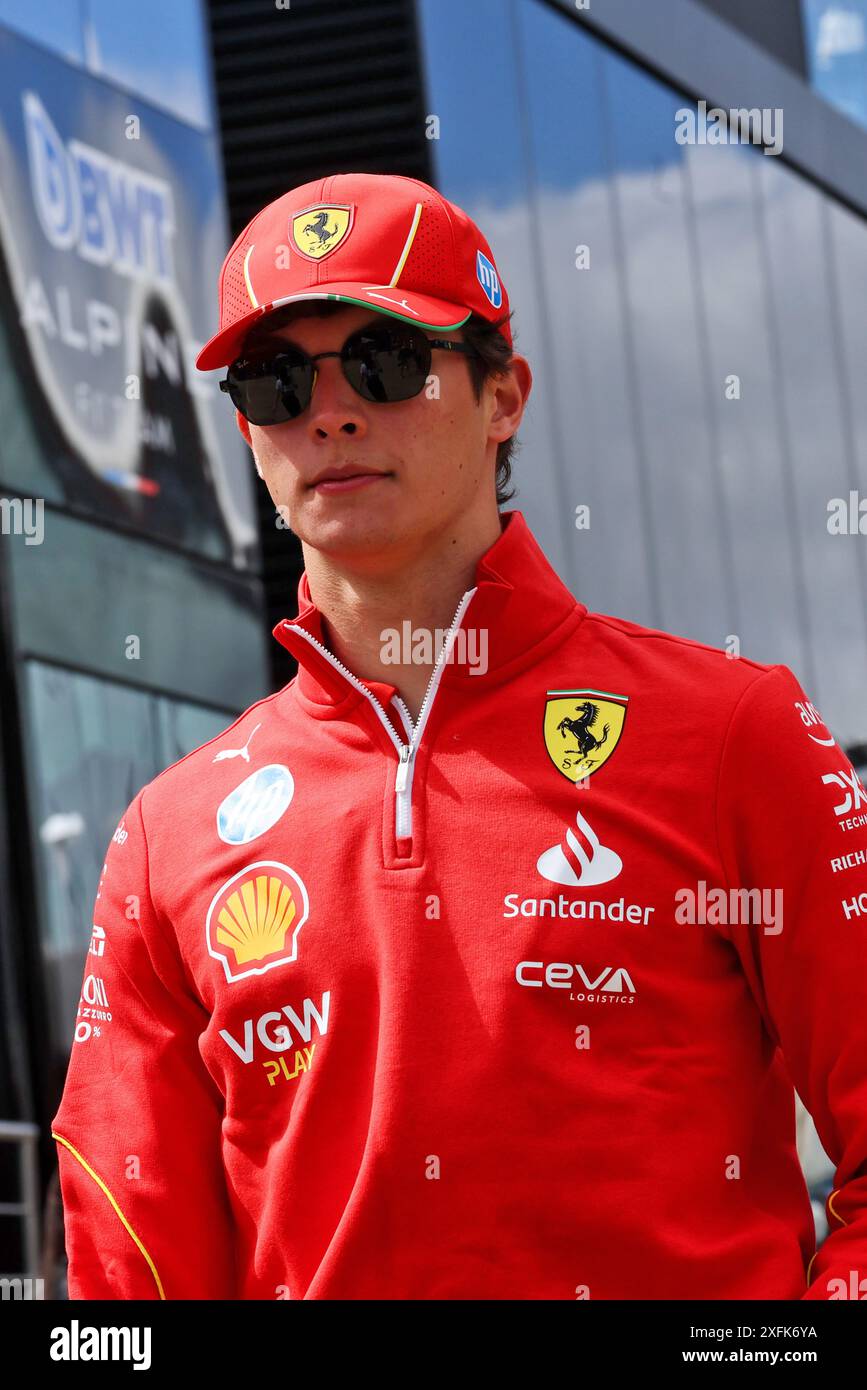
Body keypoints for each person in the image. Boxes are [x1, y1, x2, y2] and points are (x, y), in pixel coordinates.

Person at [51, 172, 867, 1300]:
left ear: (503, 397)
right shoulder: (167, 835)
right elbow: (126, 1270)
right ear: (246, 432)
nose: (330, 414)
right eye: (278, 381)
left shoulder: (736, 731)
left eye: (385, 361)